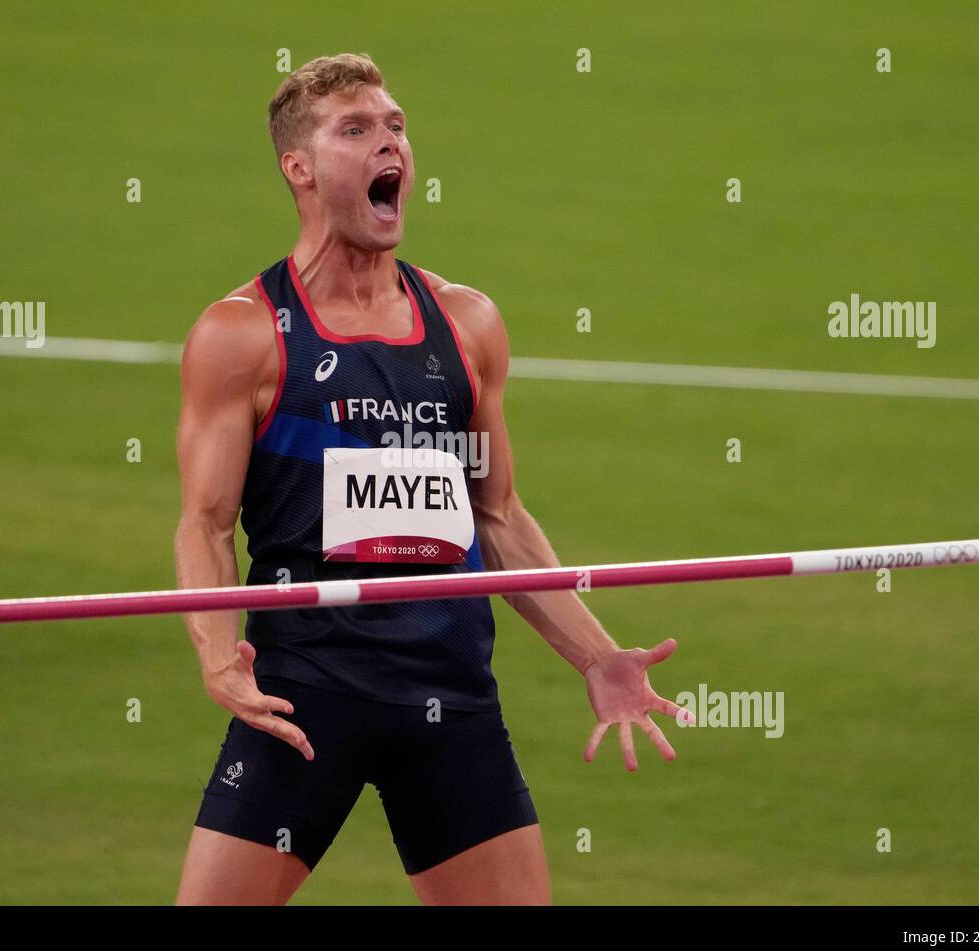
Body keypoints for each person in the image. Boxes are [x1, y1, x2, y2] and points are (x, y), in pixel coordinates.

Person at [173, 53, 691, 905]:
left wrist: (596, 656)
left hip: (448, 696)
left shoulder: (465, 323)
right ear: (297, 167)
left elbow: (499, 515)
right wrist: (218, 654)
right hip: (302, 700)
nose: (391, 145)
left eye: (397, 127)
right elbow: (205, 521)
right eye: (357, 130)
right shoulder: (243, 334)